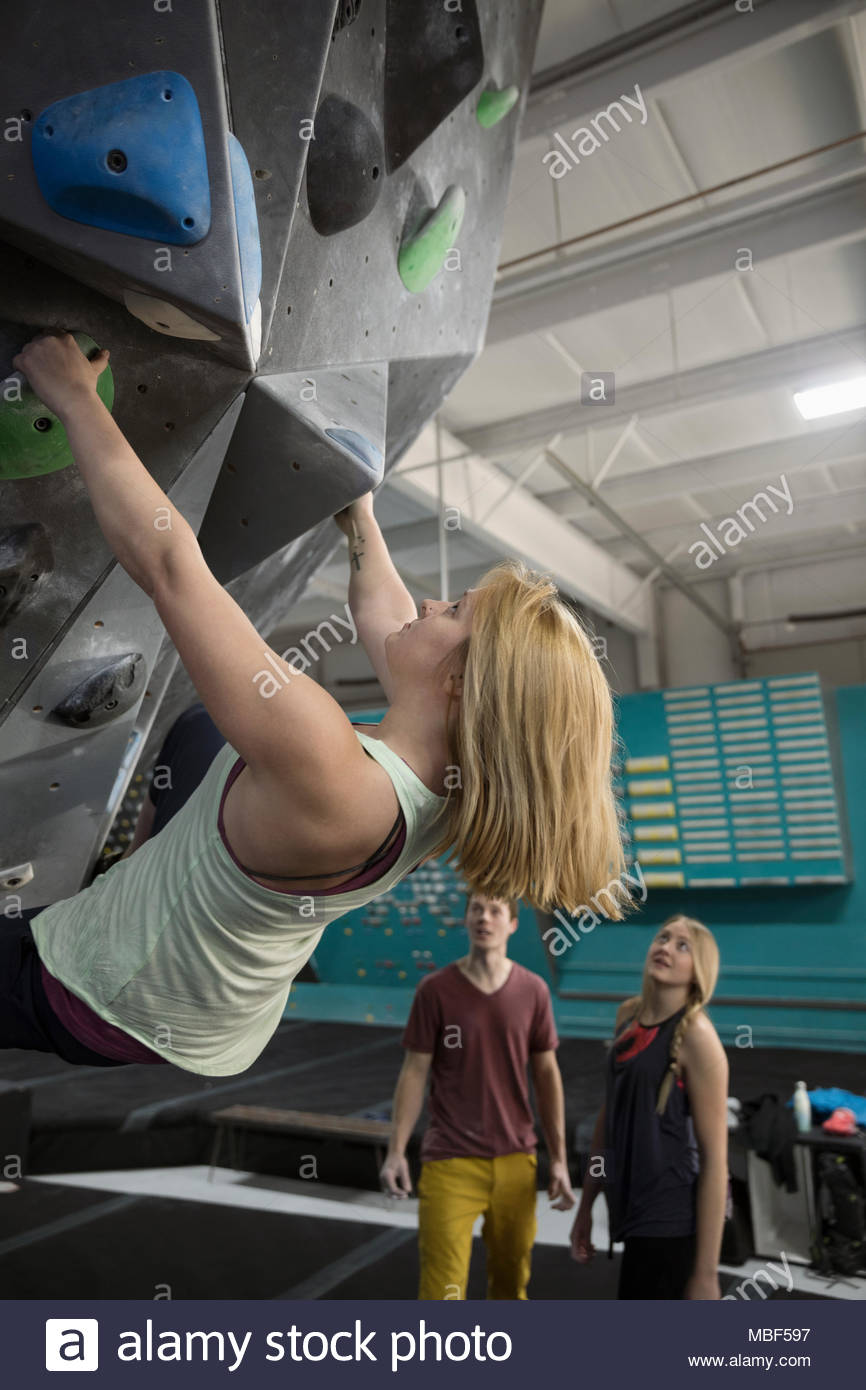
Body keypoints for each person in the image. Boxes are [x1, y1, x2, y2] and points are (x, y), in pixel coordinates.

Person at [1, 330, 626, 1077]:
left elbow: (169, 565)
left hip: (114, 997)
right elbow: (391, 613)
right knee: (202, 732)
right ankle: (128, 865)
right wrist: (360, 516)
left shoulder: (326, 763)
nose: (429, 603)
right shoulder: (452, 766)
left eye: (454, 609)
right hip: (226, 1006)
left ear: (462, 683)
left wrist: (73, 397)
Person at [380, 892, 575, 1300]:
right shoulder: (435, 990)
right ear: (466, 920)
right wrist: (396, 1150)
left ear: (512, 923)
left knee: (509, 1286)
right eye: (476, 910)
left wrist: (558, 1160)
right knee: (442, 1292)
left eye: (495, 910)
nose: (484, 918)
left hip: (515, 1162)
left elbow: (547, 1075)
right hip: (450, 1163)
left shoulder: (533, 991)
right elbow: (414, 1071)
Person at [570, 915, 729, 1299]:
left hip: (671, 1220)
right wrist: (587, 1204)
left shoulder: (698, 1036)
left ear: (699, 970)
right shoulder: (629, 1016)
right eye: (662, 938)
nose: (665, 948)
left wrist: (706, 1275)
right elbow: (608, 1122)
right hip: (631, 1209)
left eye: (682, 946)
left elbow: (715, 1162)